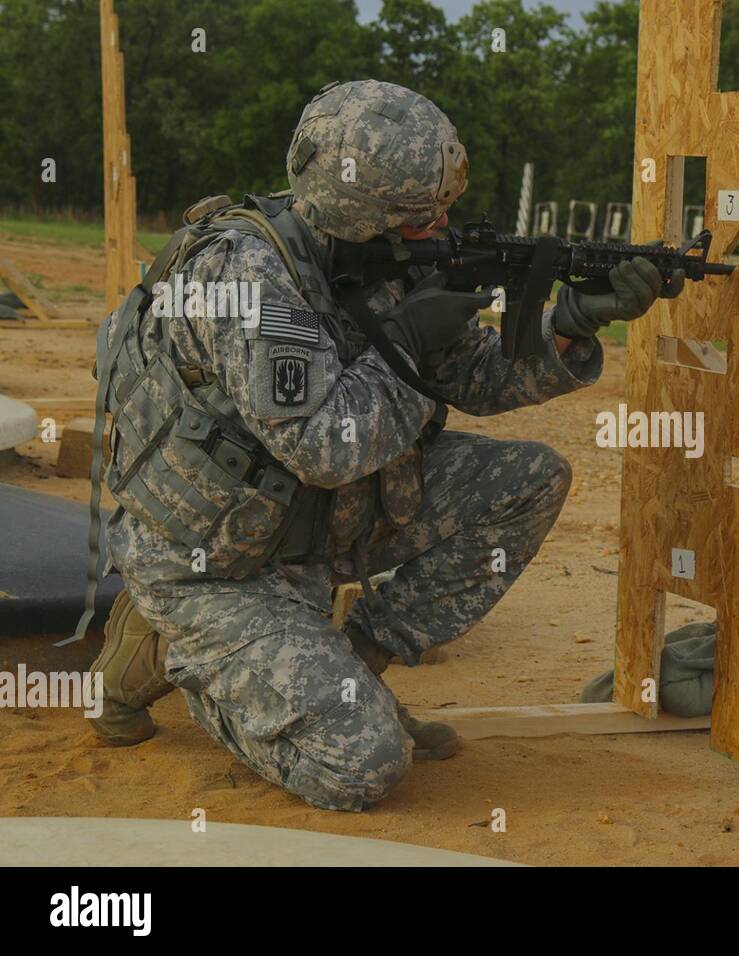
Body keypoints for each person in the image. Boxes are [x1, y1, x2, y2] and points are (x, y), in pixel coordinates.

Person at [87, 78, 682, 811]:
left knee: (530, 479)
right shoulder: (243, 273)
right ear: (362, 209)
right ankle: (180, 647)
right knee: (360, 768)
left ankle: (353, 668)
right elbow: (322, 446)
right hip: (218, 563)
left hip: (307, 525)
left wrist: (573, 320)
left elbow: (473, 375)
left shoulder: (376, 258)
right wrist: (404, 337)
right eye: (417, 215)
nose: (436, 227)